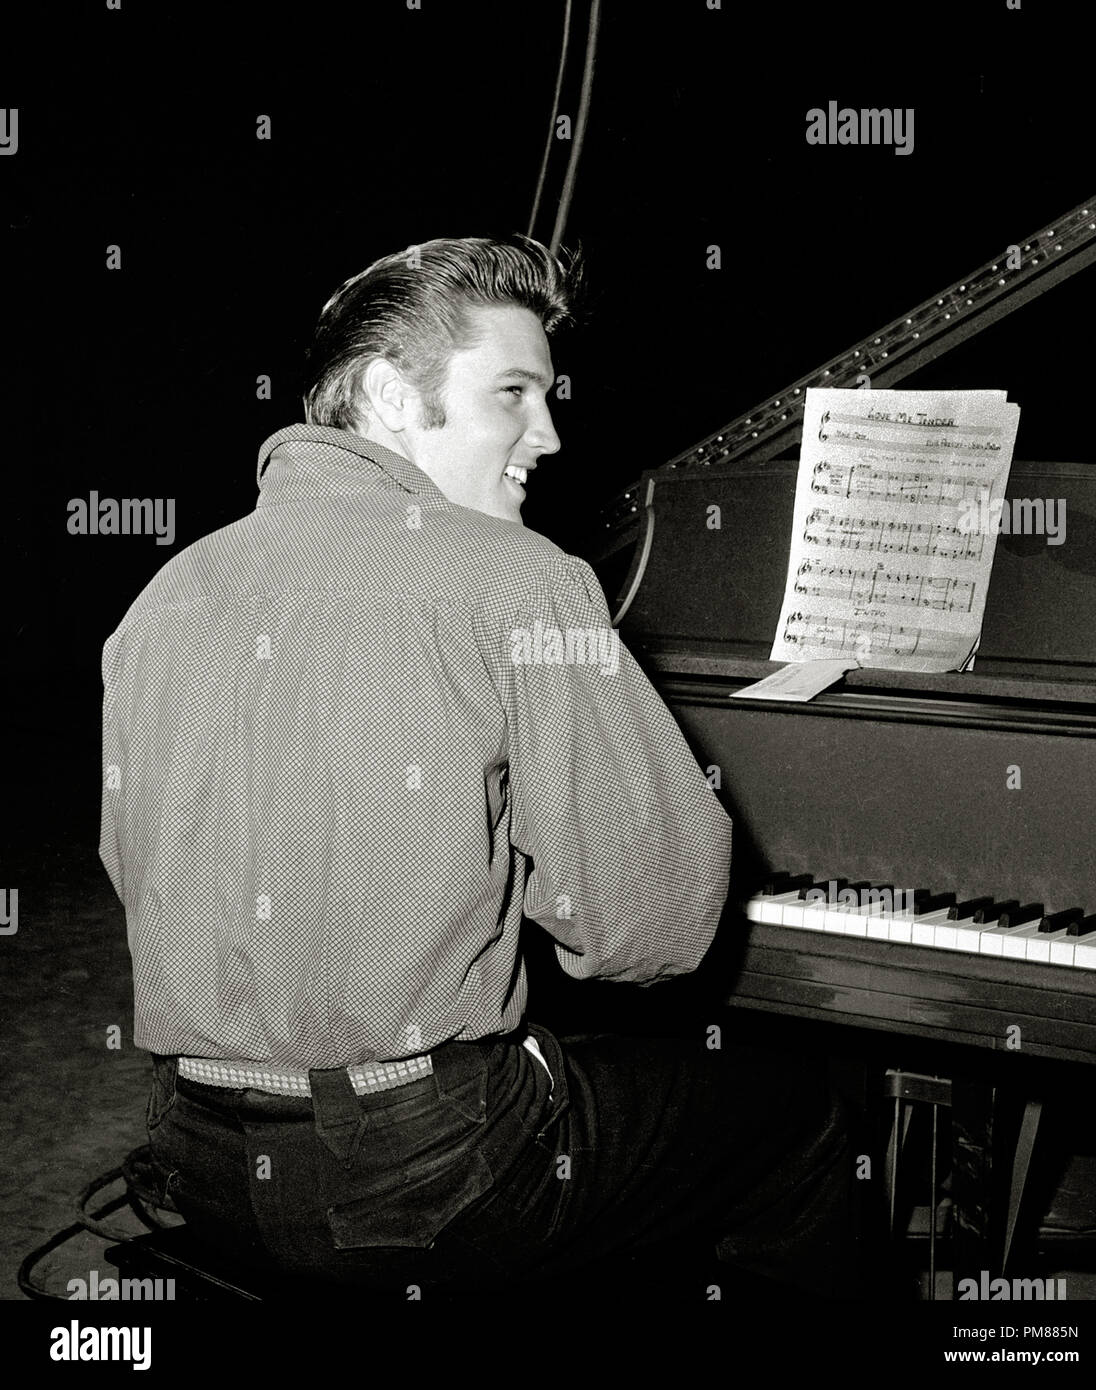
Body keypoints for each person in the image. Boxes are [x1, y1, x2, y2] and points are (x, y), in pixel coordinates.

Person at [99, 234, 851, 1301]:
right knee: (796, 1110)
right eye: (512, 393)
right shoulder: (518, 580)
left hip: (200, 1158)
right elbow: (653, 931)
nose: (546, 434)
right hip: (433, 1173)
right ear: (386, 395)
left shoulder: (165, 597)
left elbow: (146, 875)